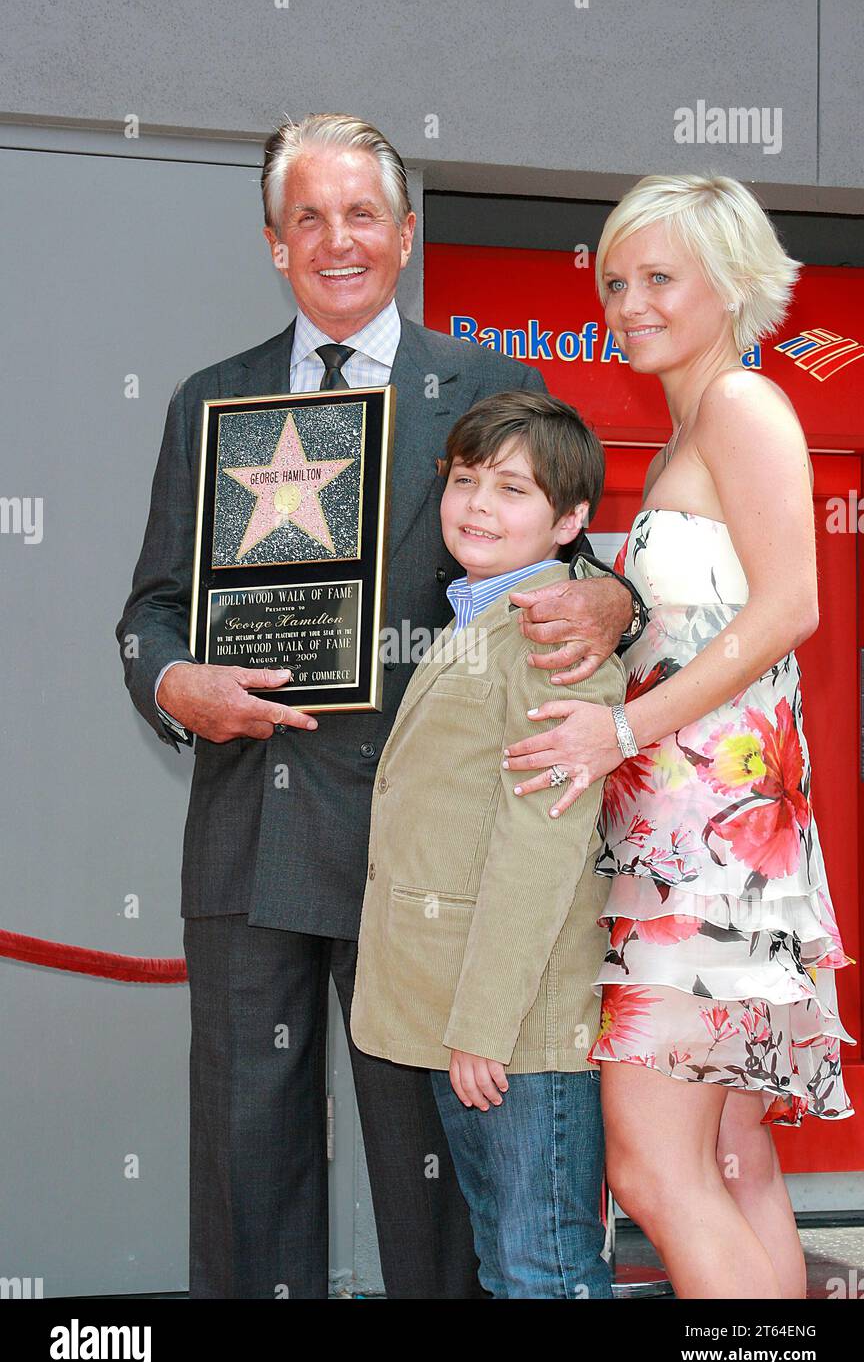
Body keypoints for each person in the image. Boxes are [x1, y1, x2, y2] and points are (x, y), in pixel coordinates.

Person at [115, 113, 640, 1299]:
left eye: (361, 215)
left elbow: (578, 564)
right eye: (307, 217)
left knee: (437, 1182)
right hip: (253, 834)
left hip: (427, 857)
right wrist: (172, 680)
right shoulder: (212, 398)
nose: (334, 239)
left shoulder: (491, 382)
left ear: (404, 234)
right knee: (246, 1164)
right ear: (271, 242)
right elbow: (151, 604)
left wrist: (613, 604)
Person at [501, 173, 855, 1300]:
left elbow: (789, 606)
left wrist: (619, 726)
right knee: (733, 1161)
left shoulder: (743, 409)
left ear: (731, 281)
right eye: (614, 280)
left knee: (653, 1169)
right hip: (708, 848)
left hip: (702, 853)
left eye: (659, 276)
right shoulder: (687, 434)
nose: (628, 301)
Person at [350, 391, 626, 1298]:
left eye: (513, 489)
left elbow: (539, 850)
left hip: (515, 1027)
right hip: (467, 1014)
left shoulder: (553, 638)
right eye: (466, 481)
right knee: (506, 1262)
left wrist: (482, 1026)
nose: (477, 506)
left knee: (540, 1269)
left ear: (572, 519)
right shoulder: (481, 614)